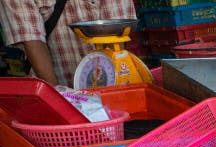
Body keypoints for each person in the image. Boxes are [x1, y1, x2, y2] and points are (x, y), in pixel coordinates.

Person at [0, 0, 137, 87]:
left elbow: (117, 31)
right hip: (53, 81)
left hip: (108, 80)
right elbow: (31, 38)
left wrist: (110, 87)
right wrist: (59, 97)